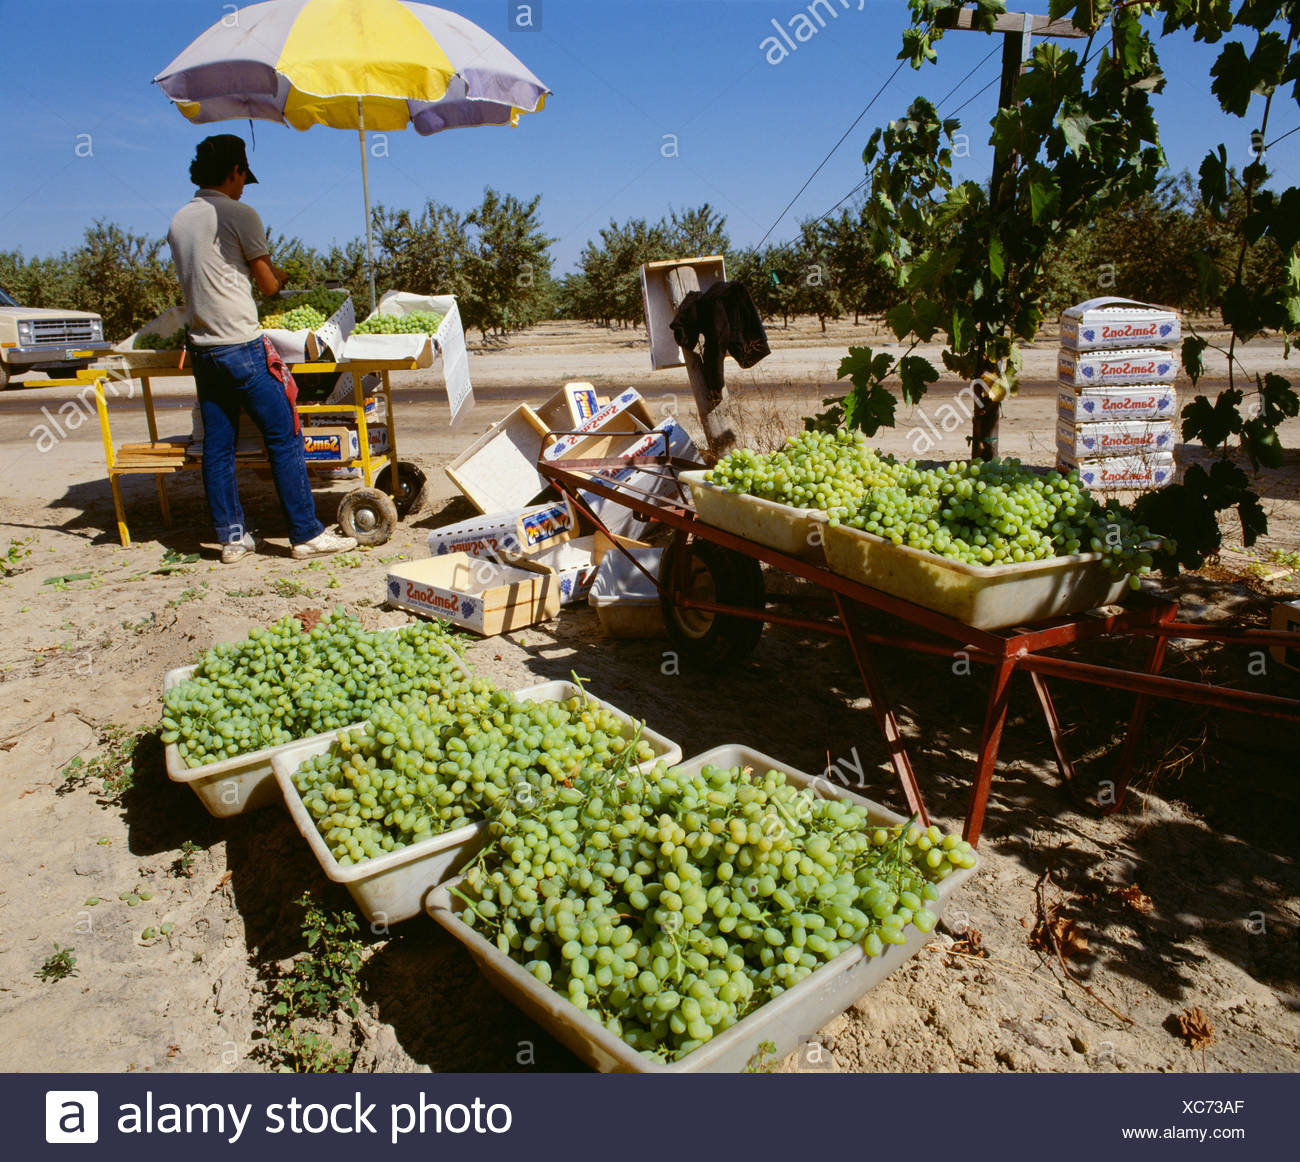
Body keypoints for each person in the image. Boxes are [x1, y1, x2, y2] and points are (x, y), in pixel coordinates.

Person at [168, 134, 356, 563]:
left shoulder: (179, 220)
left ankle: (233, 539)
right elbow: (268, 285)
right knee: (284, 435)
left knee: (218, 446)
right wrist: (282, 275)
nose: (242, 187)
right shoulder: (239, 213)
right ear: (235, 171)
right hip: (242, 345)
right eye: (242, 179)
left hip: (203, 349)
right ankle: (306, 534)